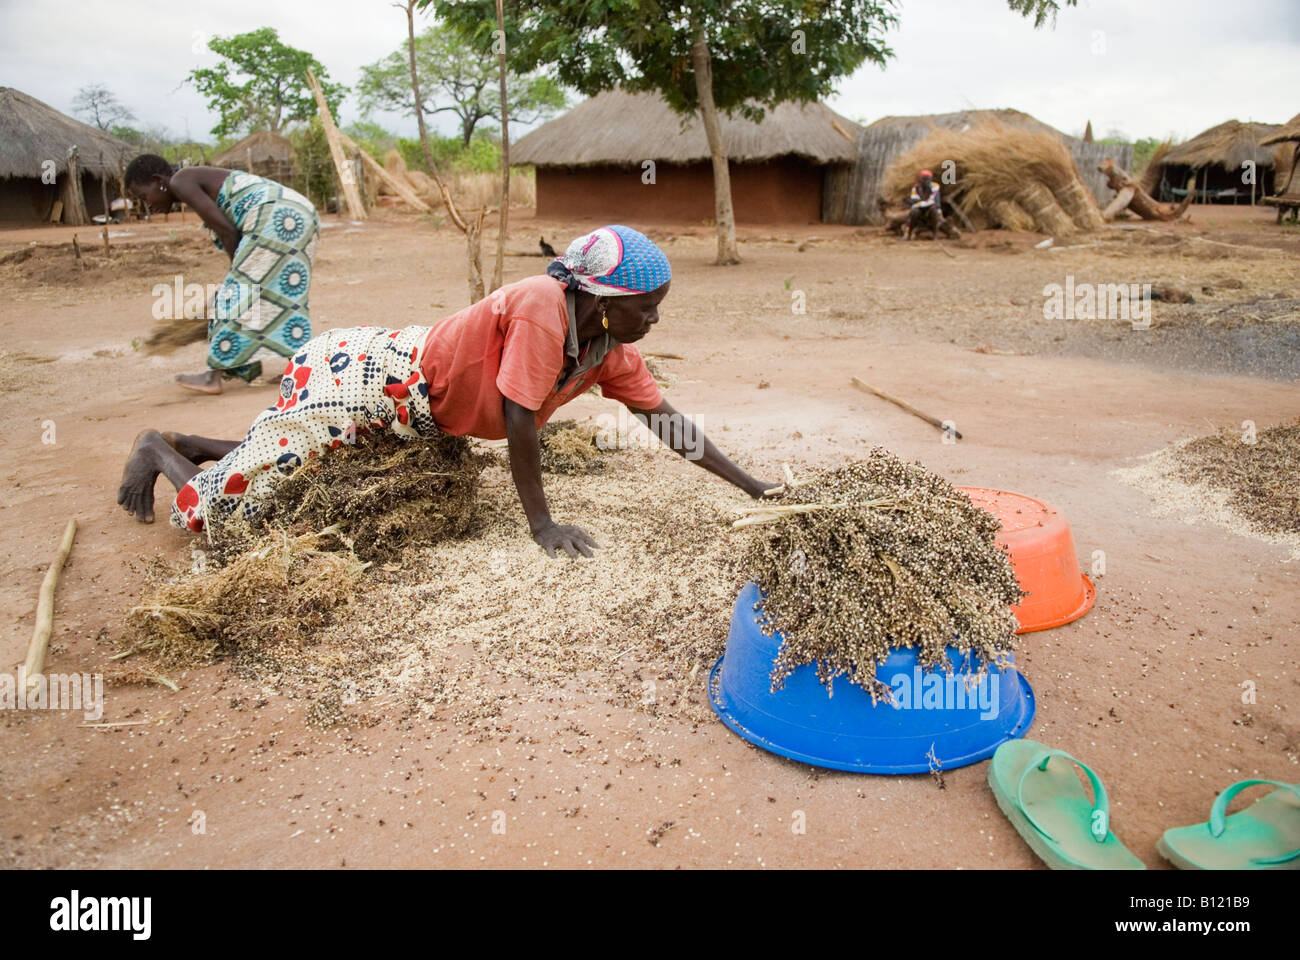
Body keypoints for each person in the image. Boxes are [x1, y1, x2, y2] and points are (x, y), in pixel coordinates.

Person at [118, 225, 776, 559]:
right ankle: (156, 448)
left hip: (408, 409)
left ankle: (194, 443)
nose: (655, 321)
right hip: (361, 383)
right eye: (649, 307)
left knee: (292, 462)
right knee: (228, 516)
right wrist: (541, 525)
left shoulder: (606, 349)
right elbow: (521, 419)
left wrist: (756, 490)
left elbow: (668, 423)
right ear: (604, 300)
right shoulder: (544, 305)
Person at [125, 154, 319, 394]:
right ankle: (303, 370)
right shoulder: (191, 180)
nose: (148, 204)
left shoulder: (180, 181)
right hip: (296, 213)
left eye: (144, 196)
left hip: (274, 215)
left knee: (233, 295)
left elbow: (227, 231)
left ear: (158, 181)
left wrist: (235, 277)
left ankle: (212, 377)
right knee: (281, 295)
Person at [903, 169, 957, 240]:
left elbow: (935, 201)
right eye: (924, 179)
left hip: (931, 210)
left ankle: (935, 234)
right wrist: (923, 202)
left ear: (931, 179)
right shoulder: (915, 188)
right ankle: (908, 234)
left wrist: (922, 201)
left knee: (934, 209)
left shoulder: (935, 186)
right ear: (920, 180)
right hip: (919, 210)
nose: (926, 181)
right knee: (914, 211)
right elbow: (913, 200)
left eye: (928, 179)